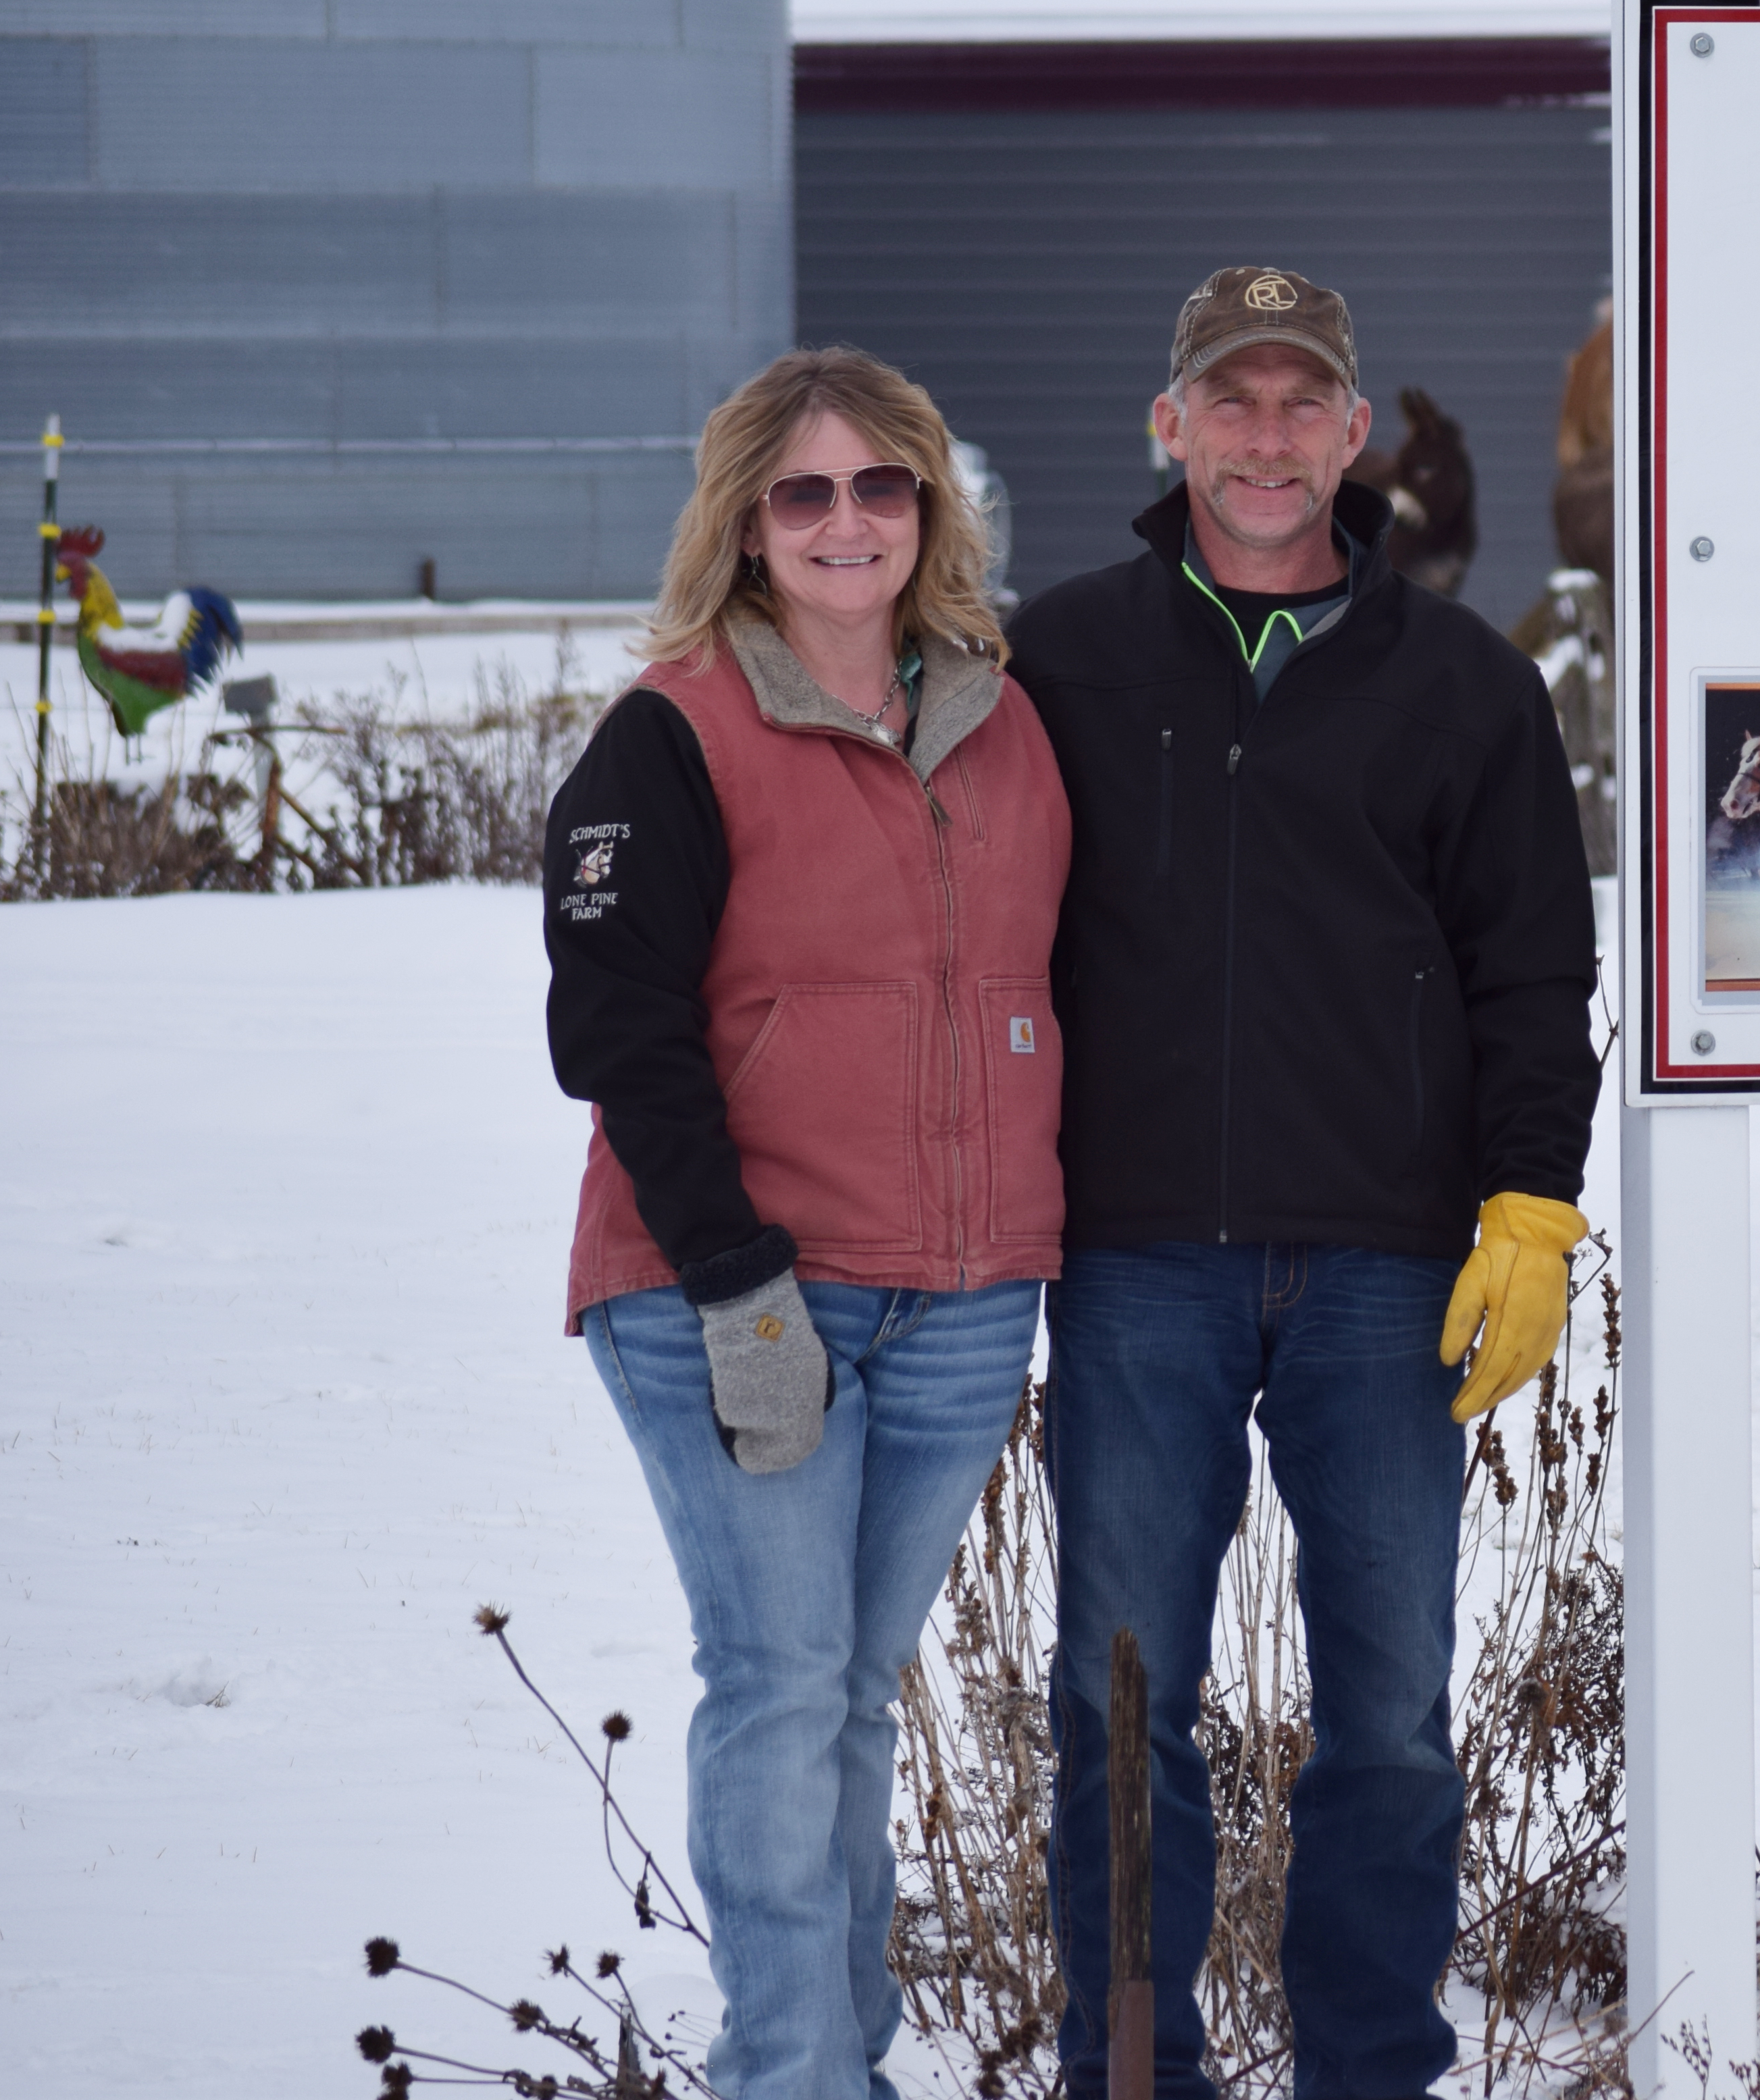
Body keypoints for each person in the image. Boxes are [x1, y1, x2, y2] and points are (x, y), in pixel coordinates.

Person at [1006, 266, 1599, 2100]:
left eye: (1301, 403)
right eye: (1229, 400)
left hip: (1387, 1269)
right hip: (1135, 1265)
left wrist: (1530, 1210)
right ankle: (1134, 2071)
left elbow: (1531, 970)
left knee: (1395, 1731)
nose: (1267, 437)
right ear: (1169, 425)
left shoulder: (1467, 686)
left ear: (1358, 437)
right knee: (1123, 1717)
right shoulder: (1061, 659)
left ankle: (1368, 2073)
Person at [544, 346, 1073, 2100]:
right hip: (734, 1294)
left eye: (881, 486)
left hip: (965, 1294)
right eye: (804, 494)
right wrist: (735, 1280)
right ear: (748, 527)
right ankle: (794, 2075)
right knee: (777, 1685)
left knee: (852, 1693)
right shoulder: (673, 732)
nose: (847, 523)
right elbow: (615, 1029)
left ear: (931, 507)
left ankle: (838, 2049)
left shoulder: (1002, 720)